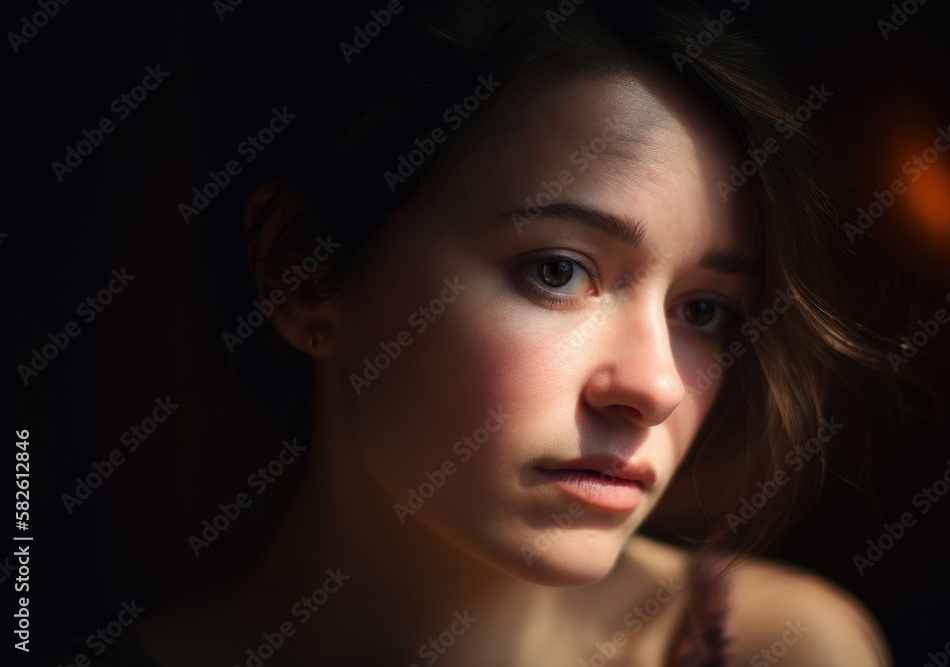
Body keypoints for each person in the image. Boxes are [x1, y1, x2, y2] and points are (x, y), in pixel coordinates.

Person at [132, 1, 895, 664]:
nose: (656, 387)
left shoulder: (779, 648)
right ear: (302, 273)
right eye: (559, 271)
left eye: (702, 310)